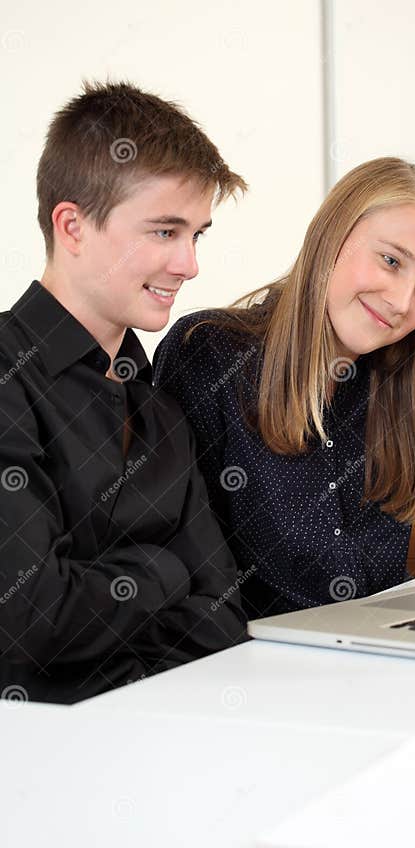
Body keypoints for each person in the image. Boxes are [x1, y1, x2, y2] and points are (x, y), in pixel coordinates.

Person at [153, 157, 415, 621]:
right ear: (332, 237)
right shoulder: (209, 355)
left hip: (378, 659)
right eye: (390, 261)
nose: (402, 302)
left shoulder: (402, 387)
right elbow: (172, 549)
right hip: (243, 664)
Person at [0, 78, 249, 704]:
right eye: (165, 232)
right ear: (73, 226)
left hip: (155, 732)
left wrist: (109, 591)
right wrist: (165, 569)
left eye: (197, 235)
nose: (189, 265)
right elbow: (30, 620)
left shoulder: (158, 401)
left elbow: (222, 616)